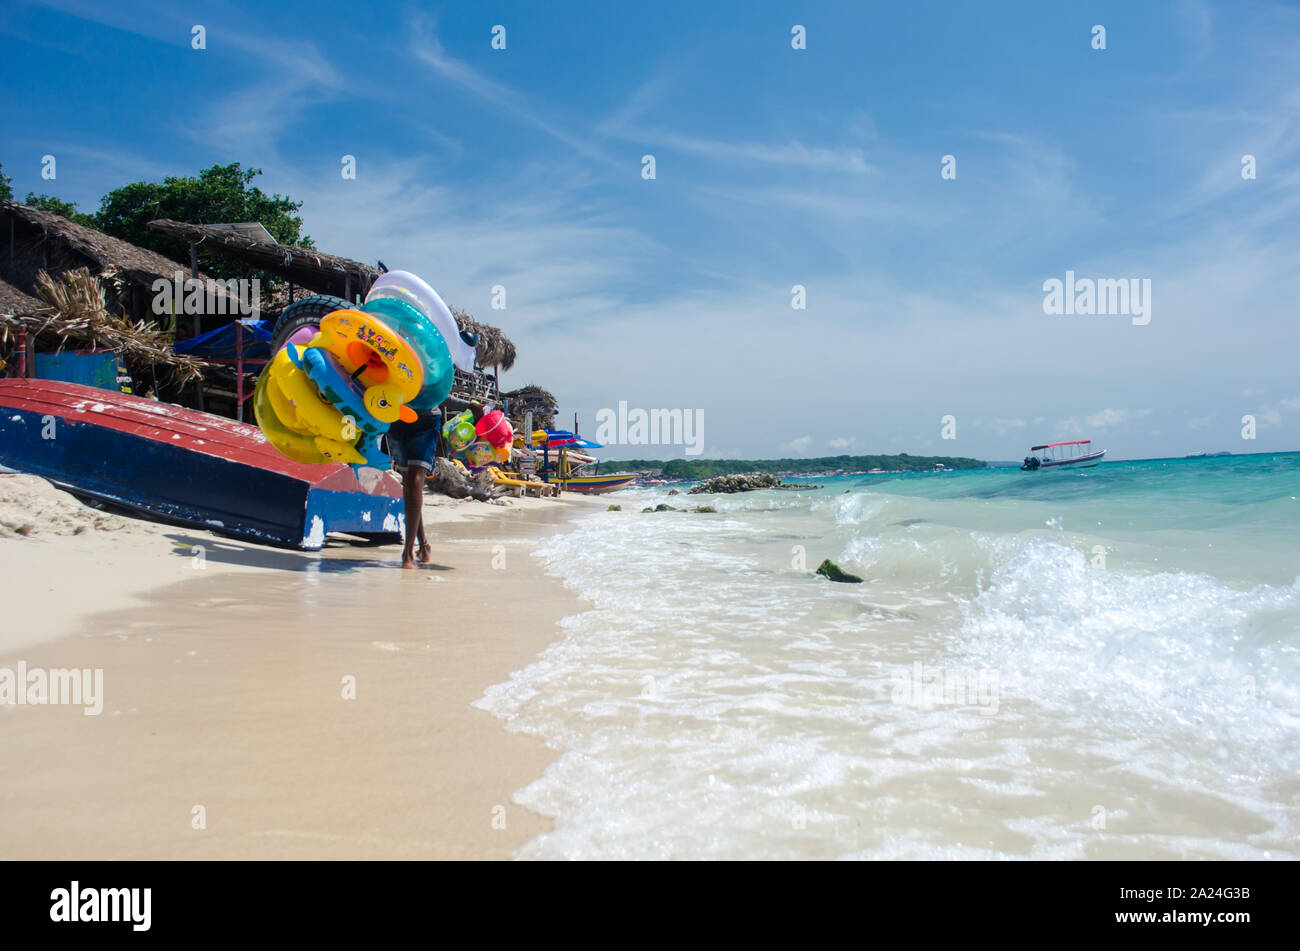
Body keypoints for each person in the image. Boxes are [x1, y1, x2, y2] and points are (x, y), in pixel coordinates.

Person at [386, 406, 444, 569]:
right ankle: (423, 546)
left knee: (413, 479)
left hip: (421, 419)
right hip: (397, 415)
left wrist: (467, 406)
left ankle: (408, 553)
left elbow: (442, 387)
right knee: (410, 483)